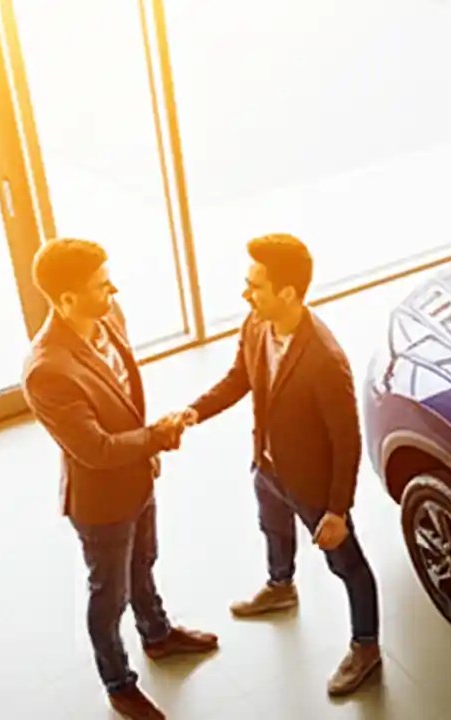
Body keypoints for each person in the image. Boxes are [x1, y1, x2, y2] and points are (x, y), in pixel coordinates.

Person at [176, 233, 381, 696]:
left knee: (348, 564)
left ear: (288, 292)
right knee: (273, 528)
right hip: (267, 466)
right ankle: (280, 586)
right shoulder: (255, 325)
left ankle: (366, 646)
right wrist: (195, 411)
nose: (247, 294)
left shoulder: (326, 361)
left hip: (311, 484)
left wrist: (335, 510)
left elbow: (346, 440)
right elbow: (238, 378)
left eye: (256, 286)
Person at [21, 238, 218, 720]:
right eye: (100, 285)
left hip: (136, 476)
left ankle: (157, 634)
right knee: (108, 596)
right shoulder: (46, 370)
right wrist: (154, 439)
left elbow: (124, 393)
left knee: (144, 562)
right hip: (101, 500)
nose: (113, 289)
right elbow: (94, 450)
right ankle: (118, 683)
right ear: (66, 299)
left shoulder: (109, 316)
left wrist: (146, 449)